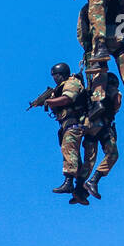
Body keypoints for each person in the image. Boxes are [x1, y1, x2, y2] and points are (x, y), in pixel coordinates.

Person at [39, 63, 89, 202]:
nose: (55, 78)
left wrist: (49, 101)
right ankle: (80, 190)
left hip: (74, 123)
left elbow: (68, 98)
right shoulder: (58, 88)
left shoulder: (72, 83)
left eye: (56, 75)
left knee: (69, 151)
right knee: (73, 156)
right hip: (67, 124)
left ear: (61, 74)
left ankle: (68, 183)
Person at [81, 72, 121, 199]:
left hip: (89, 127)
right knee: (113, 154)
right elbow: (117, 103)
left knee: (88, 161)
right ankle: (94, 180)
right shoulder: (114, 91)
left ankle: (79, 189)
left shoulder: (92, 92)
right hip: (103, 127)